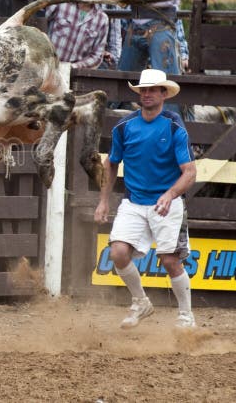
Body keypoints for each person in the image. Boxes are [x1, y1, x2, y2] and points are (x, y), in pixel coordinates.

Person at [94, 69, 197, 329]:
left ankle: (186, 315)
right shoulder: (124, 127)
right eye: (143, 89)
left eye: (152, 89)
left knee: (171, 260)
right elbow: (111, 164)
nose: (147, 94)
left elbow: (190, 172)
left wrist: (171, 194)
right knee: (117, 252)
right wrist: (103, 201)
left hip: (167, 202)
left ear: (164, 93)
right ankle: (140, 301)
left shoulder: (174, 126)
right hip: (134, 201)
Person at [45, 0, 111, 69]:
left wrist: (73, 67)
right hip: (49, 66)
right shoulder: (60, 2)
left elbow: (97, 56)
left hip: (77, 73)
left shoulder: (102, 19)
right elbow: (41, 26)